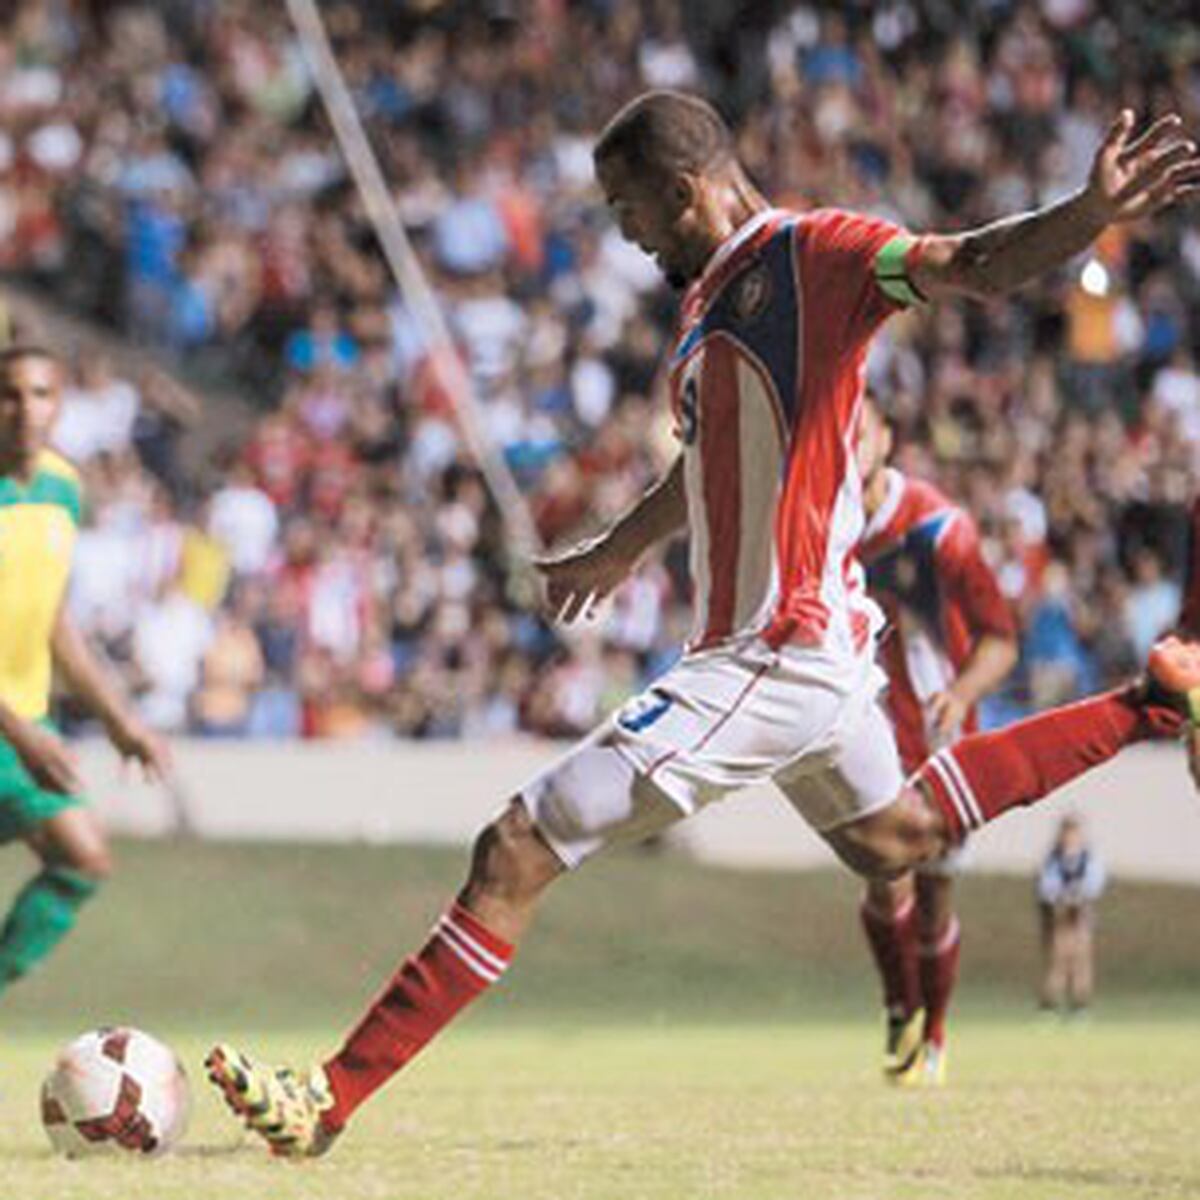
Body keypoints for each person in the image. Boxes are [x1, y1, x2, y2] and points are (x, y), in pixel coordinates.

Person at [205, 91, 1200, 1157]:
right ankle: (1154, 701)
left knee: (518, 845)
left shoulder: (816, 256)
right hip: (807, 653)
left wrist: (1086, 211)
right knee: (896, 841)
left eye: (628, 208)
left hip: (774, 651)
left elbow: (972, 262)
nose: (626, 233)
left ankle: (327, 1098)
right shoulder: (706, 307)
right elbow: (709, 468)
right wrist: (622, 546)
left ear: (683, 190)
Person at [855, 395, 1018, 1086]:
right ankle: (902, 1008)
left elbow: (1002, 640)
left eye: (857, 430)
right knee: (882, 881)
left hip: (943, 735)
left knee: (935, 899)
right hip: (867, 734)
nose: (845, 442)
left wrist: (962, 693)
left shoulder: (939, 528)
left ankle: (936, 1038)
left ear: (886, 437)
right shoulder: (814, 522)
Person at [0, 345, 171, 999]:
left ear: (61, 403)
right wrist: (26, 737)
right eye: (9, 394)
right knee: (81, 856)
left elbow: (53, 622)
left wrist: (120, 720)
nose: (25, 410)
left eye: (40, 393)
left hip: (23, 723)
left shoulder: (62, 488)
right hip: (13, 730)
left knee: (82, 861)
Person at [1037, 815, 1106, 1016]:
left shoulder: (1088, 858)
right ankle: (1050, 1004)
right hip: (1059, 915)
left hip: (1082, 914)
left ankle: (1080, 1005)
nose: (1070, 838)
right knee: (1057, 959)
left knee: (1081, 960)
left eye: (1074, 834)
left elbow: (1094, 884)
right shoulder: (1054, 859)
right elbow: (1047, 887)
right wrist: (1061, 898)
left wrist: (1079, 896)